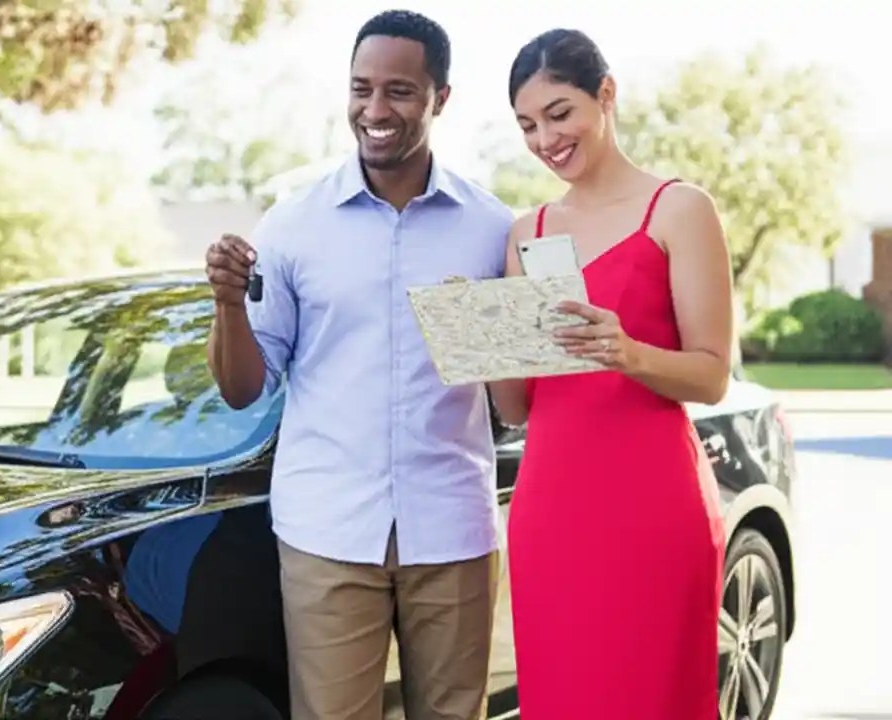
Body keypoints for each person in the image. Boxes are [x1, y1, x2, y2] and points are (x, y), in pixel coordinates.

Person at [204, 9, 512, 720]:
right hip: (328, 533)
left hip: (453, 527)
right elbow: (243, 390)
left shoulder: (491, 229)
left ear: (441, 98)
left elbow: (518, 392)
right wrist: (226, 304)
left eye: (400, 91)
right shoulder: (291, 223)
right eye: (361, 88)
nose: (375, 110)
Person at [489, 28, 731, 719]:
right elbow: (518, 408)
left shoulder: (679, 209)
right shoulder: (525, 231)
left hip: (654, 507)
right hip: (551, 511)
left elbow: (711, 376)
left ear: (606, 95)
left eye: (559, 114)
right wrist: (481, 344)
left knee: (654, 696)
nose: (544, 141)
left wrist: (629, 353)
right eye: (527, 125)